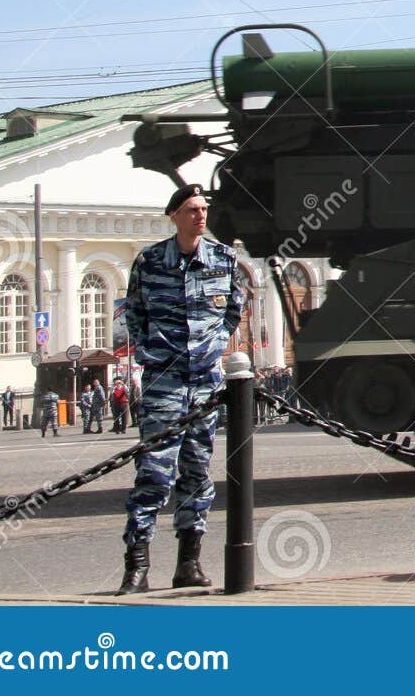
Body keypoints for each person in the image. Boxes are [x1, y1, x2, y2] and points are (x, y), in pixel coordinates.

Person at [116, 183, 243, 593]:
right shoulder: (150, 261)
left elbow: (233, 312)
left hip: (205, 383)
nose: (200, 216)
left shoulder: (224, 260)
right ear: (174, 216)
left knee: (196, 473)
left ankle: (189, 562)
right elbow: (133, 313)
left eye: (203, 208)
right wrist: (154, 354)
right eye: (191, 209)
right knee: (154, 473)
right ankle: (136, 567)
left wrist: (213, 346)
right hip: (164, 382)